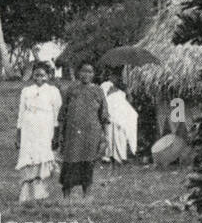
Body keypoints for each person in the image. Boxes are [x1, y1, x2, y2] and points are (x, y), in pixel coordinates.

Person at [59, 62, 111, 199]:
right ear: (78, 73)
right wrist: (60, 134)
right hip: (73, 133)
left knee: (88, 163)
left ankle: (86, 194)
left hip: (91, 134)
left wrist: (106, 136)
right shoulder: (71, 89)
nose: (86, 74)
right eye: (83, 71)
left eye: (89, 72)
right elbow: (62, 113)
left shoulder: (98, 91)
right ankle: (66, 195)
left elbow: (104, 115)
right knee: (70, 162)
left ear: (94, 74)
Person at [15, 61, 61, 203]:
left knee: (42, 157)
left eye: (42, 75)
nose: (39, 78)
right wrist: (18, 134)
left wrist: (56, 134)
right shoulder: (26, 91)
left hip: (45, 128)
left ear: (48, 76)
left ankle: (40, 192)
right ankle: (25, 193)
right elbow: (21, 114)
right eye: (36, 75)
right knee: (28, 157)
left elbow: (57, 114)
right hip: (29, 128)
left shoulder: (53, 91)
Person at [100, 71, 138, 163]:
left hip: (120, 114)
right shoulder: (106, 85)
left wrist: (128, 93)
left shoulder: (123, 88)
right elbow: (103, 98)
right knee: (110, 134)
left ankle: (122, 156)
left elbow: (129, 101)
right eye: (113, 76)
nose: (115, 78)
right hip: (111, 112)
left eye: (117, 77)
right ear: (109, 76)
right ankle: (108, 155)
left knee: (121, 134)